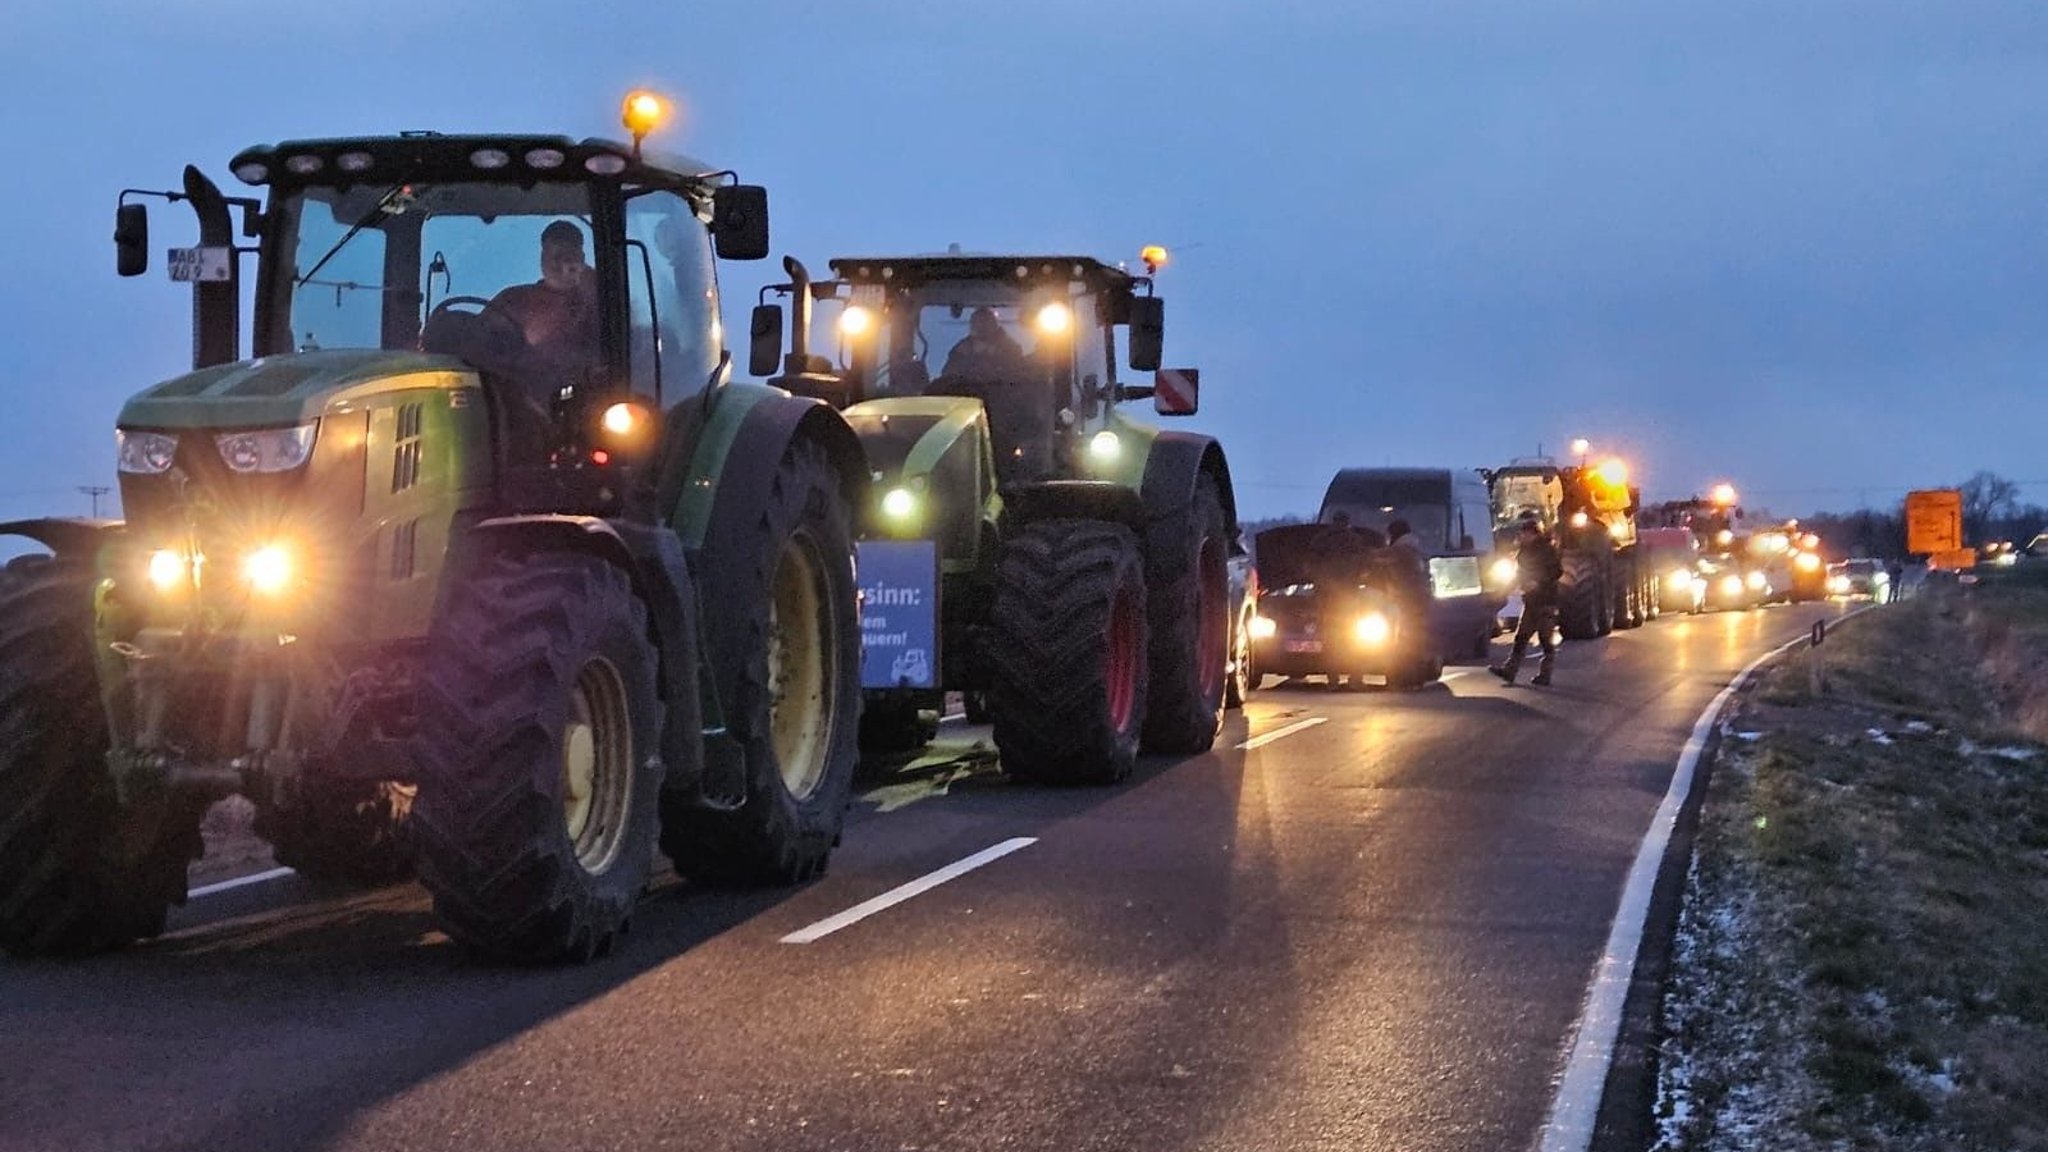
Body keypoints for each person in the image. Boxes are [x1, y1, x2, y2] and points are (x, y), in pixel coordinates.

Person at [487, 219, 600, 374]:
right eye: (551, 254)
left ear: (581, 258)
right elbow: (479, 342)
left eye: (566, 256)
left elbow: (625, 342)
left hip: (592, 392)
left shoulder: (603, 300)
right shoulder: (513, 300)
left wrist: (593, 283)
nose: (557, 263)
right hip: (518, 391)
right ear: (542, 256)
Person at [1491, 515, 1563, 686]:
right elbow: (1519, 574)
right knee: (1521, 638)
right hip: (1531, 602)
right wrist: (1505, 591)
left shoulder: (1547, 551)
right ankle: (1509, 671)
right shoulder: (1524, 552)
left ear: (1534, 534)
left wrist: (1538, 582)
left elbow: (1556, 572)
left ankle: (1545, 674)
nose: (1522, 536)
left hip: (1545, 601)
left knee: (1546, 640)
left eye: (1525, 533)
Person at [939, 306, 1029, 383]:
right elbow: (947, 380)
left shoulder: (1011, 353)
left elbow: (1019, 382)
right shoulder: (960, 353)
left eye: (985, 322)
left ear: (994, 326)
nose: (981, 326)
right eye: (977, 323)